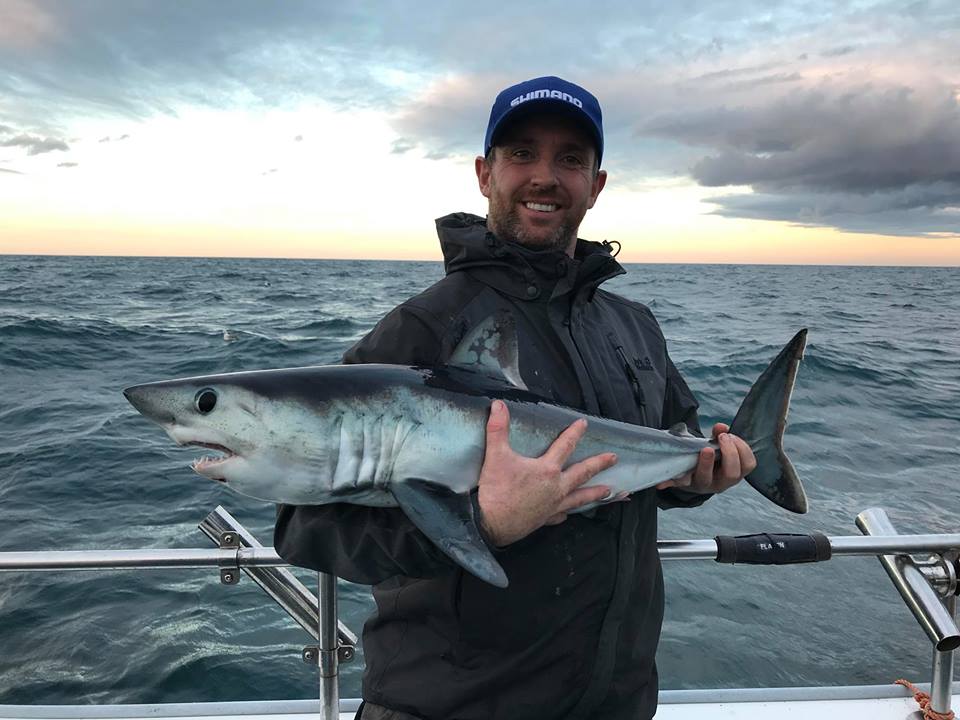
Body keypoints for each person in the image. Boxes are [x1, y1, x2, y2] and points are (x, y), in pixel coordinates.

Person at [275, 76, 756, 720]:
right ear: (484, 173)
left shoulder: (632, 324)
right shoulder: (422, 329)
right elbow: (307, 527)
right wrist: (483, 523)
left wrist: (700, 477)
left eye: (570, 160)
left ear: (597, 183)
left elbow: (668, 450)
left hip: (616, 697)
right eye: (522, 154)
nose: (545, 177)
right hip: (451, 704)